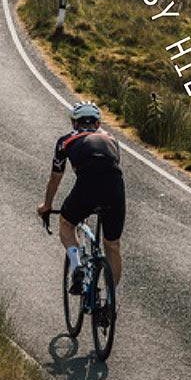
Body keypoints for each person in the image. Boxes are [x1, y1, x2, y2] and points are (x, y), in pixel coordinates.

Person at [37, 100, 125, 292]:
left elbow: (55, 177)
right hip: (115, 187)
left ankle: (77, 267)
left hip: (87, 185)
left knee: (67, 224)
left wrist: (47, 205)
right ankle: (110, 301)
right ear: (98, 124)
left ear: (74, 123)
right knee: (112, 245)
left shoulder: (65, 141)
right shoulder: (111, 138)